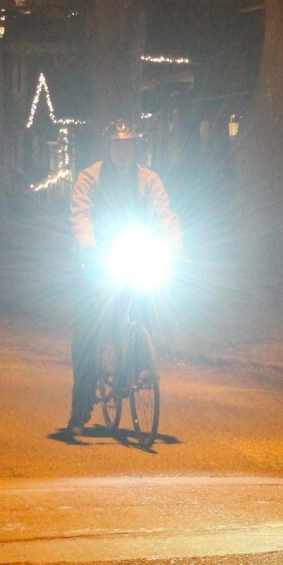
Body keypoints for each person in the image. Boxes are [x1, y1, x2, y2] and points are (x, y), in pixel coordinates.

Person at [65, 119, 182, 436]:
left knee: (155, 298)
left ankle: (142, 363)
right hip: (98, 261)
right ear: (109, 148)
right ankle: (81, 408)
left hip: (136, 253)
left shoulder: (149, 180)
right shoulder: (91, 178)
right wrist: (87, 248)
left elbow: (164, 215)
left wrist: (174, 244)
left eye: (127, 144)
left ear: (134, 148)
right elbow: (81, 214)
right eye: (117, 145)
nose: (122, 150)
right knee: (88, 333)